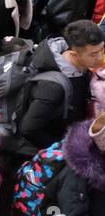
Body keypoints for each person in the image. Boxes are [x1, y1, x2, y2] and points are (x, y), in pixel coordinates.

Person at [16, 19, 104, 156]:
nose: (100, 58)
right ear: (74, 54)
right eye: (93, 54)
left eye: (101, 50)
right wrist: (62, 149)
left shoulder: (82, 65)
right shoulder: (52, 88)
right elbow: (28, 128)